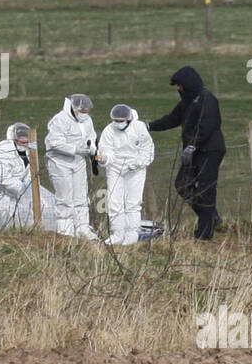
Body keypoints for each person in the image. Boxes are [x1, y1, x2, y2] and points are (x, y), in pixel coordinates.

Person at [148, 67, 226, 240]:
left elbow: (208, 125)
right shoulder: (187, 102)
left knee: (206, 190)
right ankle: (211, 217)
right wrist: (148, 127)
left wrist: (193, 145)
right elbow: (172, 119)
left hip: (209, 150)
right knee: (182, 184)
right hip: (192, 151)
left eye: (179, 85)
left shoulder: (207, 99)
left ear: (188, 84)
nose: (178, 89)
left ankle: (204, 234)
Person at [0, 123, 58, 229]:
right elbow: (4, 179)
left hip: (18, 185)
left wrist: (29, 186)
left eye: (27, 142)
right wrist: (22, 188)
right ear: (14, 140)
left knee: (32, 205)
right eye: (22, 142)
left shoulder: (29, 151)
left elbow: (30, 172)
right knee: (6, 209)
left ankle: (31, 229)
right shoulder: (4, 151)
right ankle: (4, 232)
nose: (26, 144)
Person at [98, 103, 155, 246]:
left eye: (121, 121)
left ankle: (132, 234)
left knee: (133, 202)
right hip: (115, 169)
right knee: (113, 201)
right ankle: (117, 233)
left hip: (135, 169)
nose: (118, 123)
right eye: (115, 121)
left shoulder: (139, 128)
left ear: (129, 119)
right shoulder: (109, 131)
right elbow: (106, 150)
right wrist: (105, 158)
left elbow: (147, 150)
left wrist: (136, 163)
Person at [44, 93, 100, 240]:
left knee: (81, 197)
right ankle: (66, 232)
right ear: (74, 108)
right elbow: (54, 142)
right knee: (65, 198)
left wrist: (92, 147)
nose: (84, 114)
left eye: (87, 112)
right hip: (59, 163)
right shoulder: (59, 120)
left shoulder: (87, 120)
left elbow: (91, 136)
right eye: (82, 111)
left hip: (79, 162)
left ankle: (82, 228)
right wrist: (75, 149)